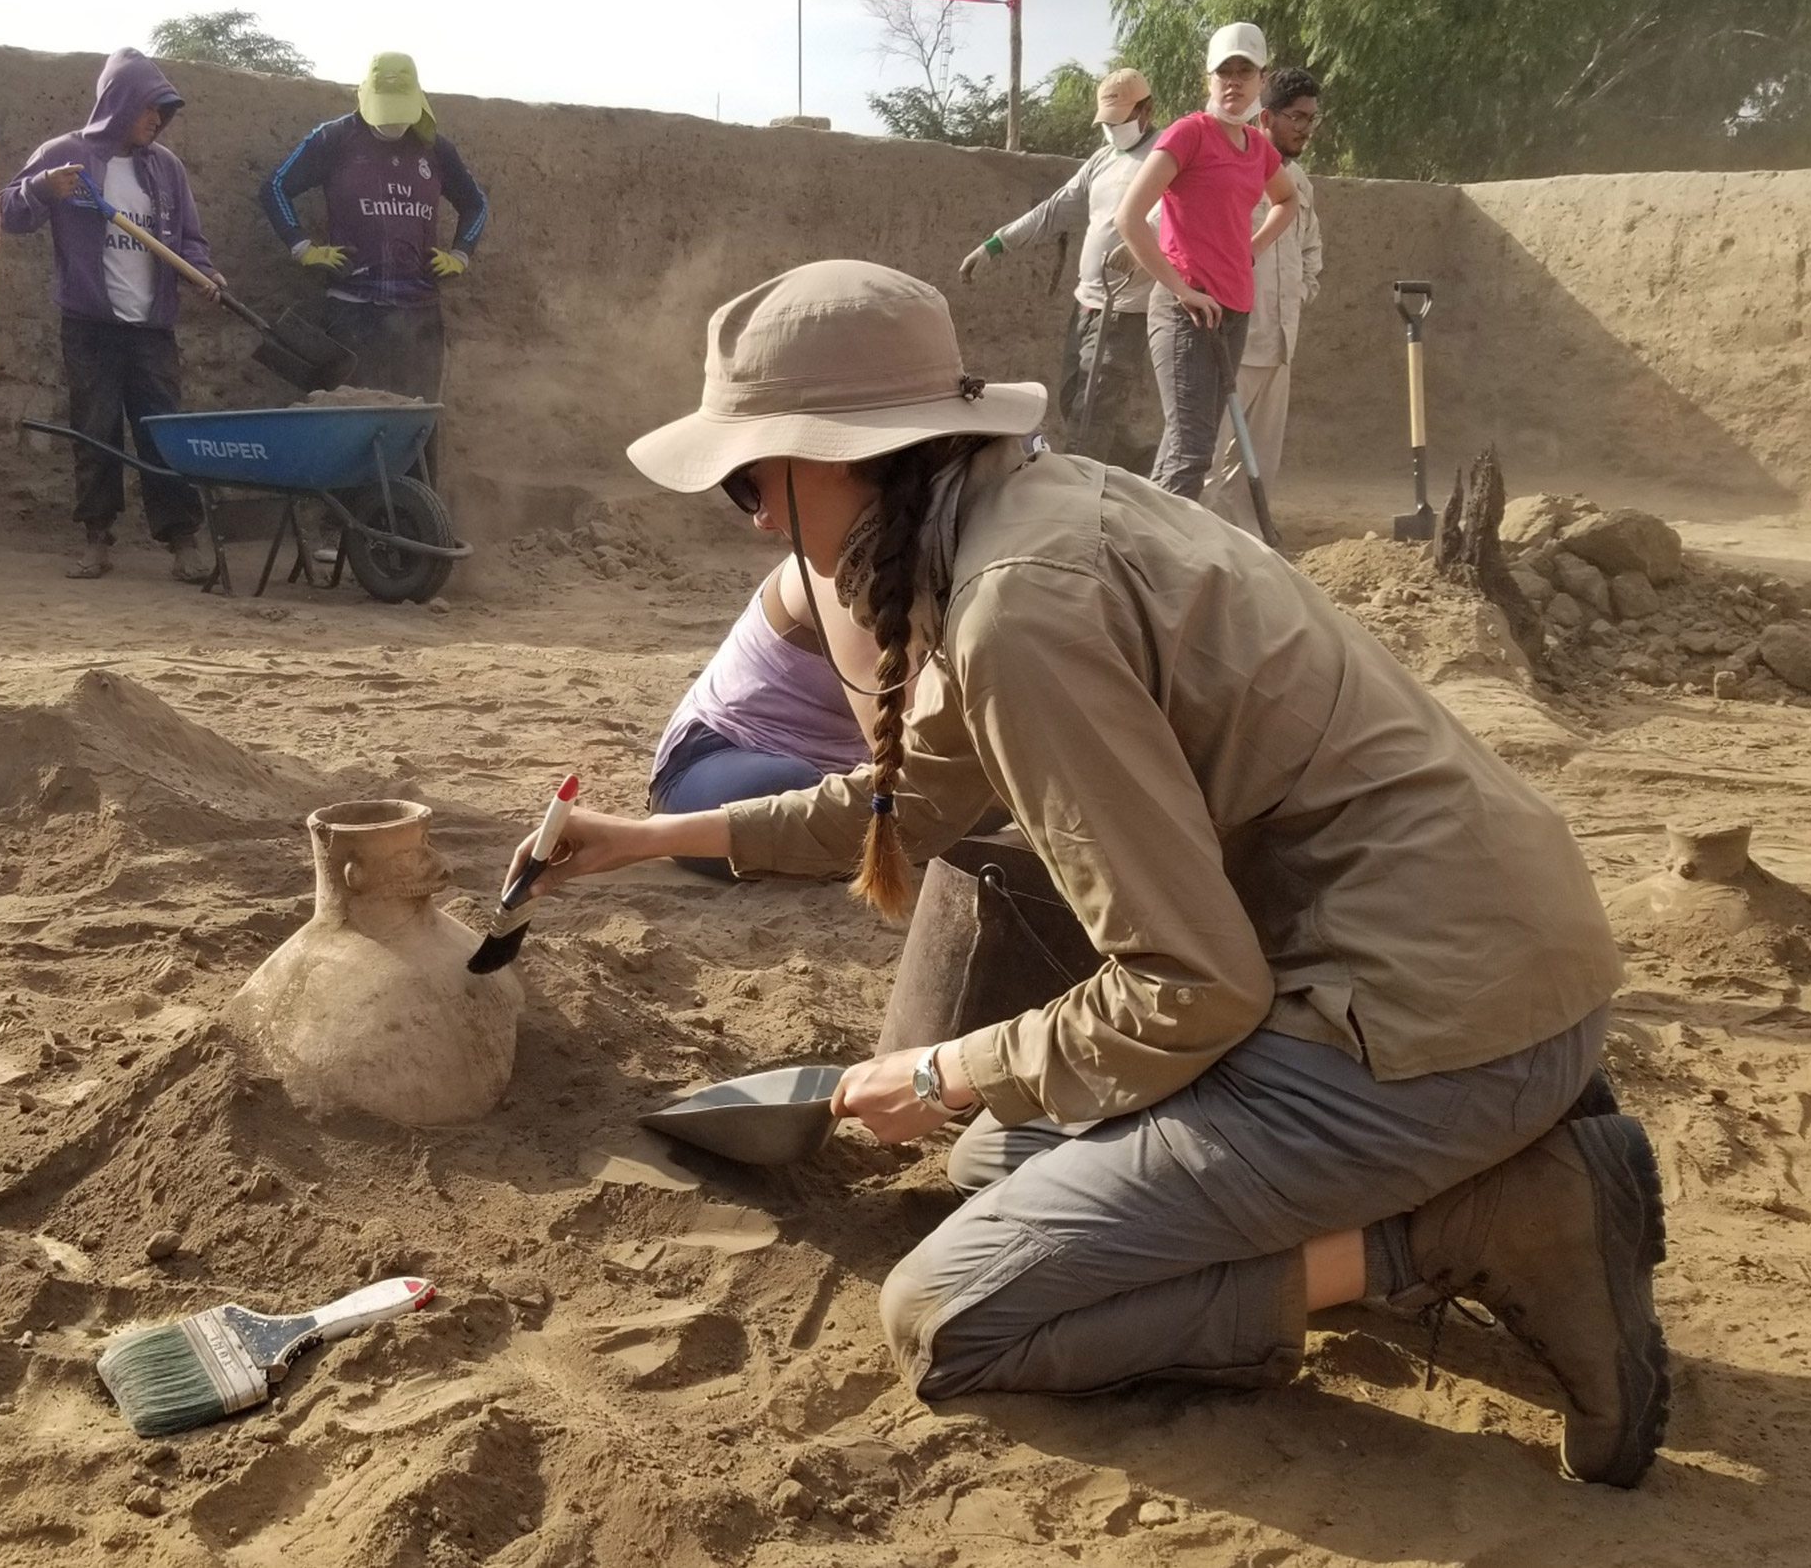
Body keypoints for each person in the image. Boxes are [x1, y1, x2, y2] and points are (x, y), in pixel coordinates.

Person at [520, 259, 1669, 1488]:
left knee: (955, 1313)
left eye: (754, 477)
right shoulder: (1025, 510)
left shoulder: (1022, 609)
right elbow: (905, 805)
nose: (751, 515)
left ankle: (1474, 1219)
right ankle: (1488, 1168)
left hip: (1421, 1031)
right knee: (983, 1157)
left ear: (853, 454)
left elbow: (1187, 985)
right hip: (1477, 975)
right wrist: (641, 841)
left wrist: (939, 1066)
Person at [2, 50, 224, 582]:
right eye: (152, 108)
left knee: (163, 433)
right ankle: (97, 538)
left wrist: (203, 274)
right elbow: (7, 211)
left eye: (163, 112)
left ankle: (181, 539)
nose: (158, 120)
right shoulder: (66, 158)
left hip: (152, 328)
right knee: (95, 432)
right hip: (90, 326)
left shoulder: (165, 168)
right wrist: (40, 188)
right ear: (121, 103)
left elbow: (188, 240)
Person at [258, 52, 487, 462]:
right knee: (353, 421)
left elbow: (475, 204)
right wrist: (302, 247)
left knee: (420, 420)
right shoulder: (334, 139)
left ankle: (417, 515)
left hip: (419, 313)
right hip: (353, 313)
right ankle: (350, 519)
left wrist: (460, 255)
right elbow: (275, 187)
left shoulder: (435, 150)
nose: (393, 123)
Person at [1112, 23, 1298, 502]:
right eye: (1224, 72)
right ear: (1208, 79)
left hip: (1233, 310)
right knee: (1192, 450)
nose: (1234, 81)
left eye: (1245, 71)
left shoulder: (1258, 149)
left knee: (1193, 447)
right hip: (1185, 312)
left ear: (1263, 78)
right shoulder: (1188, 134)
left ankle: (1154, 544)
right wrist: (1182, 289)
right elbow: (1129, 218)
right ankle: (1156, 559)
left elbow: (1287, 201)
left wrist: (1252, 248)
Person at [957, 68, 1161, 473]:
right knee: (1074, 403)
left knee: (1092, 411)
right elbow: (1054, 210)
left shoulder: (1165, 155)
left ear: (1147, 109)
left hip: (1127, 308)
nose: (1112, 129)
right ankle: (1143, 467)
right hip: (1087, 302)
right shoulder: (1102, 160)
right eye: (1107, 122)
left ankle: (1084, 498)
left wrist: (1143, 243)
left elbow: (1181, 211)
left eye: (1120, 121)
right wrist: (998, 243)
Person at [649, 556, 869, 878]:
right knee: (802, 795)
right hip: (713, 766)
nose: (760, 521)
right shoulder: (829, 575)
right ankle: (642, 839)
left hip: (834, 775)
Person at [1202, 67, 1323, 539]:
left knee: (1260, 464)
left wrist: (1300, 293)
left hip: (1278, 345)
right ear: (1266, 116)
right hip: (1230, 339)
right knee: (1207, 456)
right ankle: (1195, 548)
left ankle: (1248, 549)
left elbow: (1311, 250)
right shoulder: (1231, 164)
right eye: (1297, 117)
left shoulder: (1301, 184)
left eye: (1312, 119)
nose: (1305, 129)